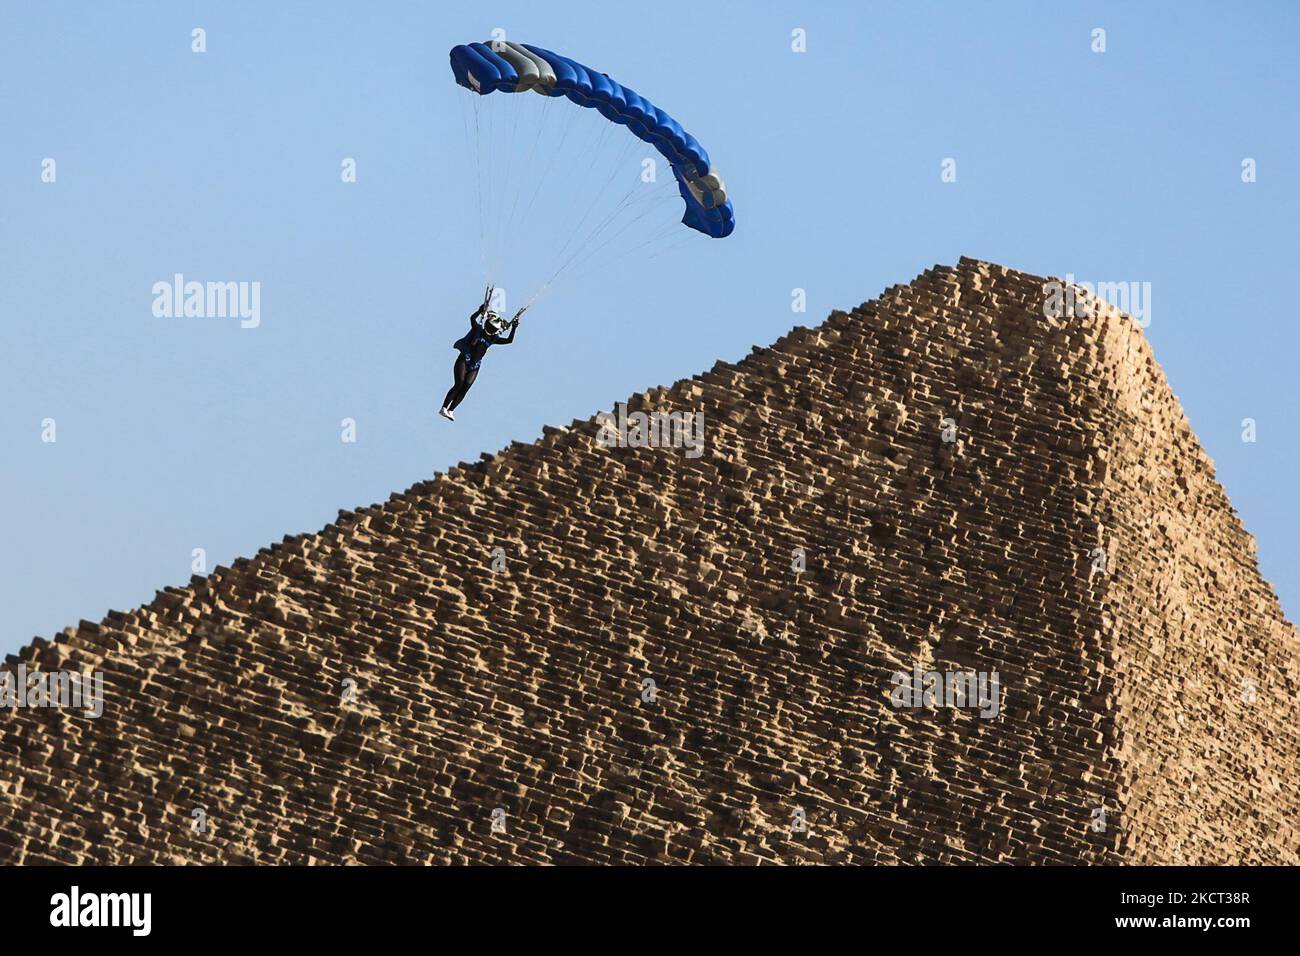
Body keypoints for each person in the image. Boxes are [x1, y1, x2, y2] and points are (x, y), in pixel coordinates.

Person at [439, 285, 525, 421]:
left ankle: (450, 410)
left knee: (465, 387)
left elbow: (509, 341)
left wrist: (514, 328)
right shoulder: (477, 329)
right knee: (459, 383)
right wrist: (480, 311)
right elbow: (472, 319)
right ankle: (443, 408)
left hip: (475, 365)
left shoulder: (493, 338)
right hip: (464, 359)